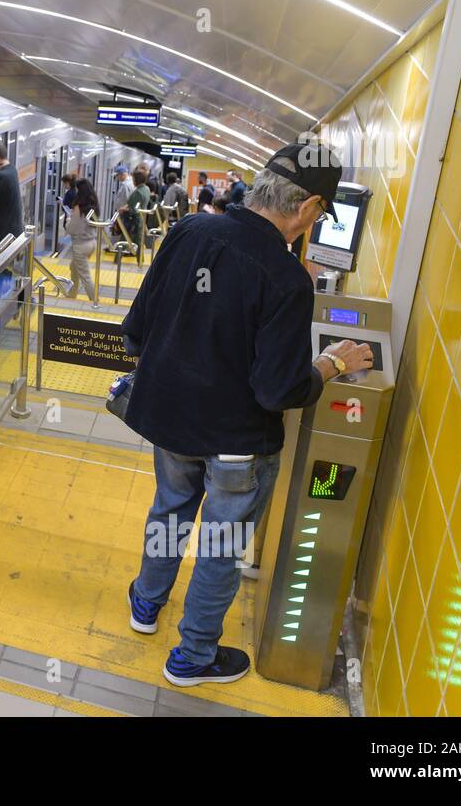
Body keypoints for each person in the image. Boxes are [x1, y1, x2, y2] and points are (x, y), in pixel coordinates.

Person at [118, 142, 374, 687]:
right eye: (320, 213)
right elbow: (278, 389)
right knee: (220, 544)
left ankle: (145, 604)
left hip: (169, 422)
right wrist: (330, 364)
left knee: (169, 510)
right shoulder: (286, 279)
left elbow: (137, 329)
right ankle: (192, 657)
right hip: (236, 444)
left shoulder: (188, 232)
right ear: (306, 208)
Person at [63, 178, 100, 307]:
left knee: (85, 276)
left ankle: (94, 301)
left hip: (80, 245)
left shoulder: (79, 207)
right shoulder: (93, 205)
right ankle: (72, 294)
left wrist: (68, 219)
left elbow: (72, 228)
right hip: (92, 243)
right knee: (74, 267)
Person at [124, 168, 152, 247]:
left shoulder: (138, 192)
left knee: (128, 242)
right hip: (141, 219)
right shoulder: (146, 189)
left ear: (137, 180)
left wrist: (123, 209)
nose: (132, 181)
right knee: (139, 242)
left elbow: (134, 209)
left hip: (133, 222)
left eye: (133, 179)